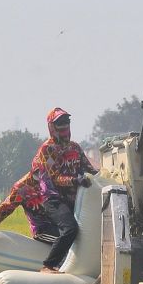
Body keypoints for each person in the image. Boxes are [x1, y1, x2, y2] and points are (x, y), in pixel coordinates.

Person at [30, 107, 96, 273]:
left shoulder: (75, 148)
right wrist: (76, 180)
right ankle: (49, 265)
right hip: (53, 199)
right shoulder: (47, 150)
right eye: (59, 123)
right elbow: (54, 178)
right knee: (70, 229)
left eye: (66, 121)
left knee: (87, 233)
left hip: (74, 199)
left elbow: (90, 170)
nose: (64, 126)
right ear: (51, 127)